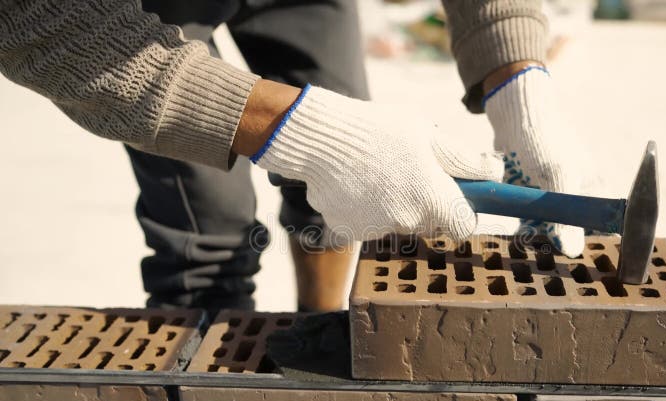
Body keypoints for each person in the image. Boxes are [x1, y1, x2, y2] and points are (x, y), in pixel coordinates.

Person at [0, 0, 584, 313]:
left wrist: (516, 84)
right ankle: (210, 386)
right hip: (148, 12)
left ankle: (320, 331)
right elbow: (32, 19)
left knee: (345, 190)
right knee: (209, 227)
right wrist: (296, 128)